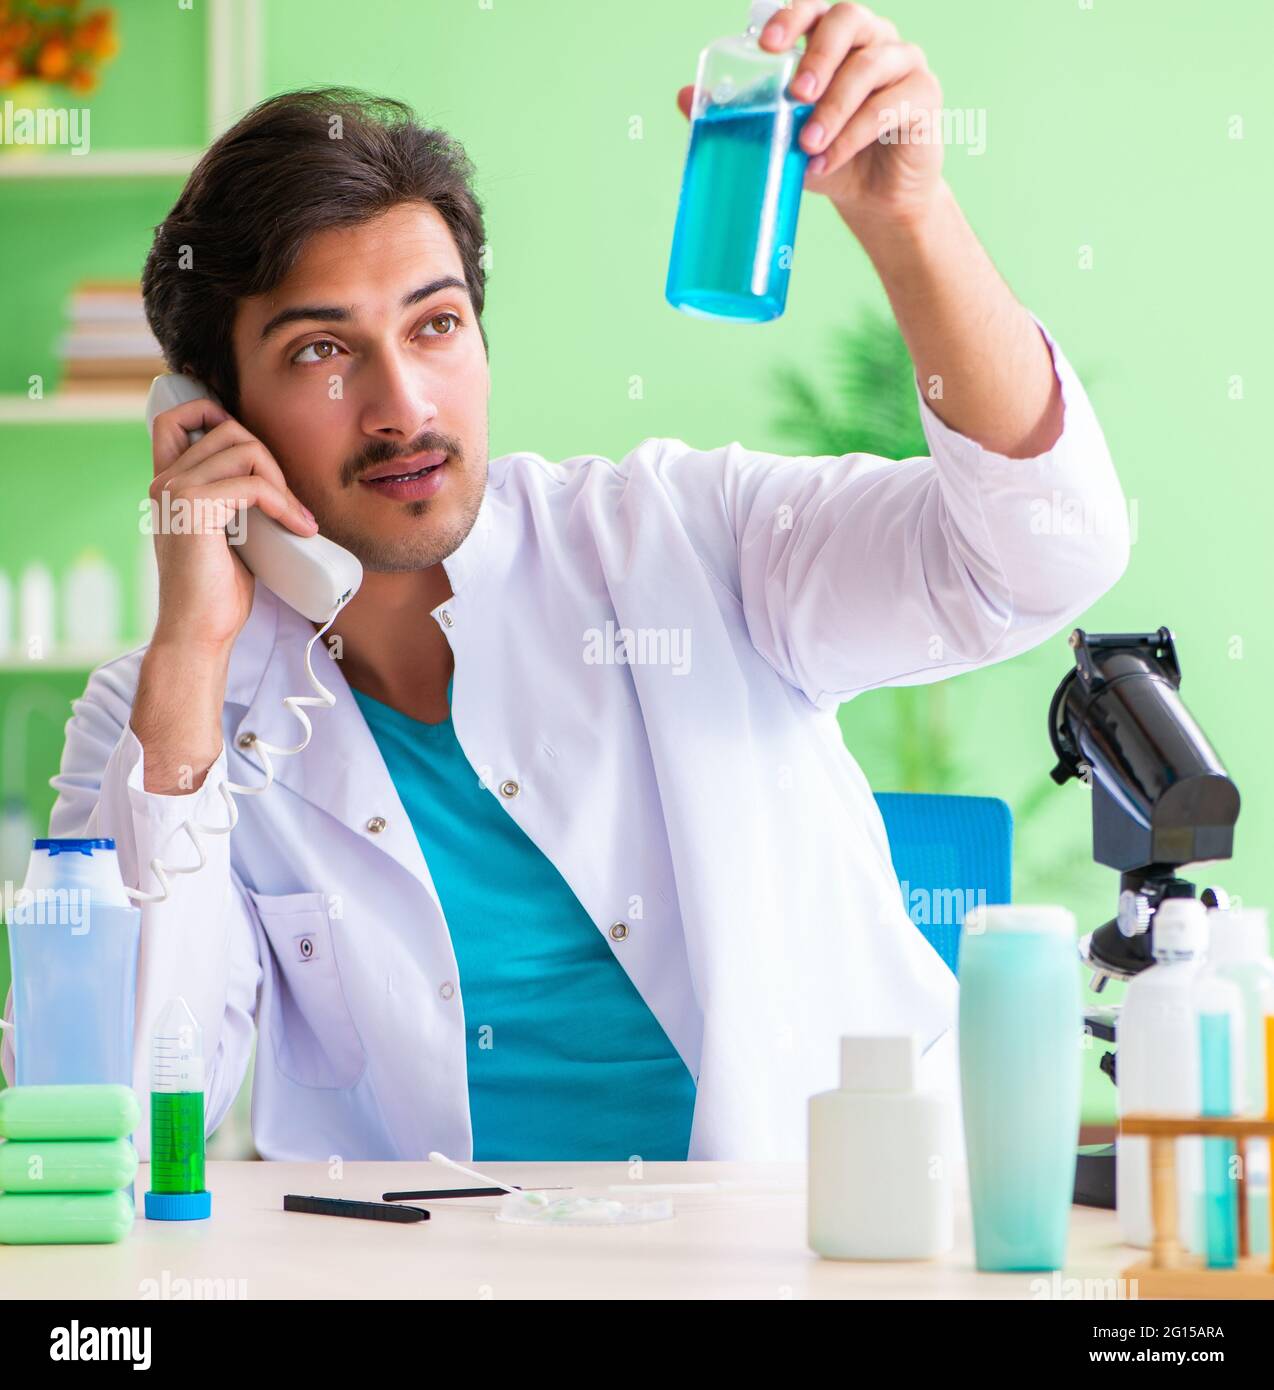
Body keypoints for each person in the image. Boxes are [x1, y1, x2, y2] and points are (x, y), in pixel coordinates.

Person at [2, 7, 1129, 1163]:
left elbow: (1045, 556)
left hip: (822, 1243)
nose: (404, 406)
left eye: (434, 325)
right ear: (210, 419)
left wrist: (910, 225)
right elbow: (105, 1129)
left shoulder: (686, 537)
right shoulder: (160, 717)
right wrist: (191, 648)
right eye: (320, 351)